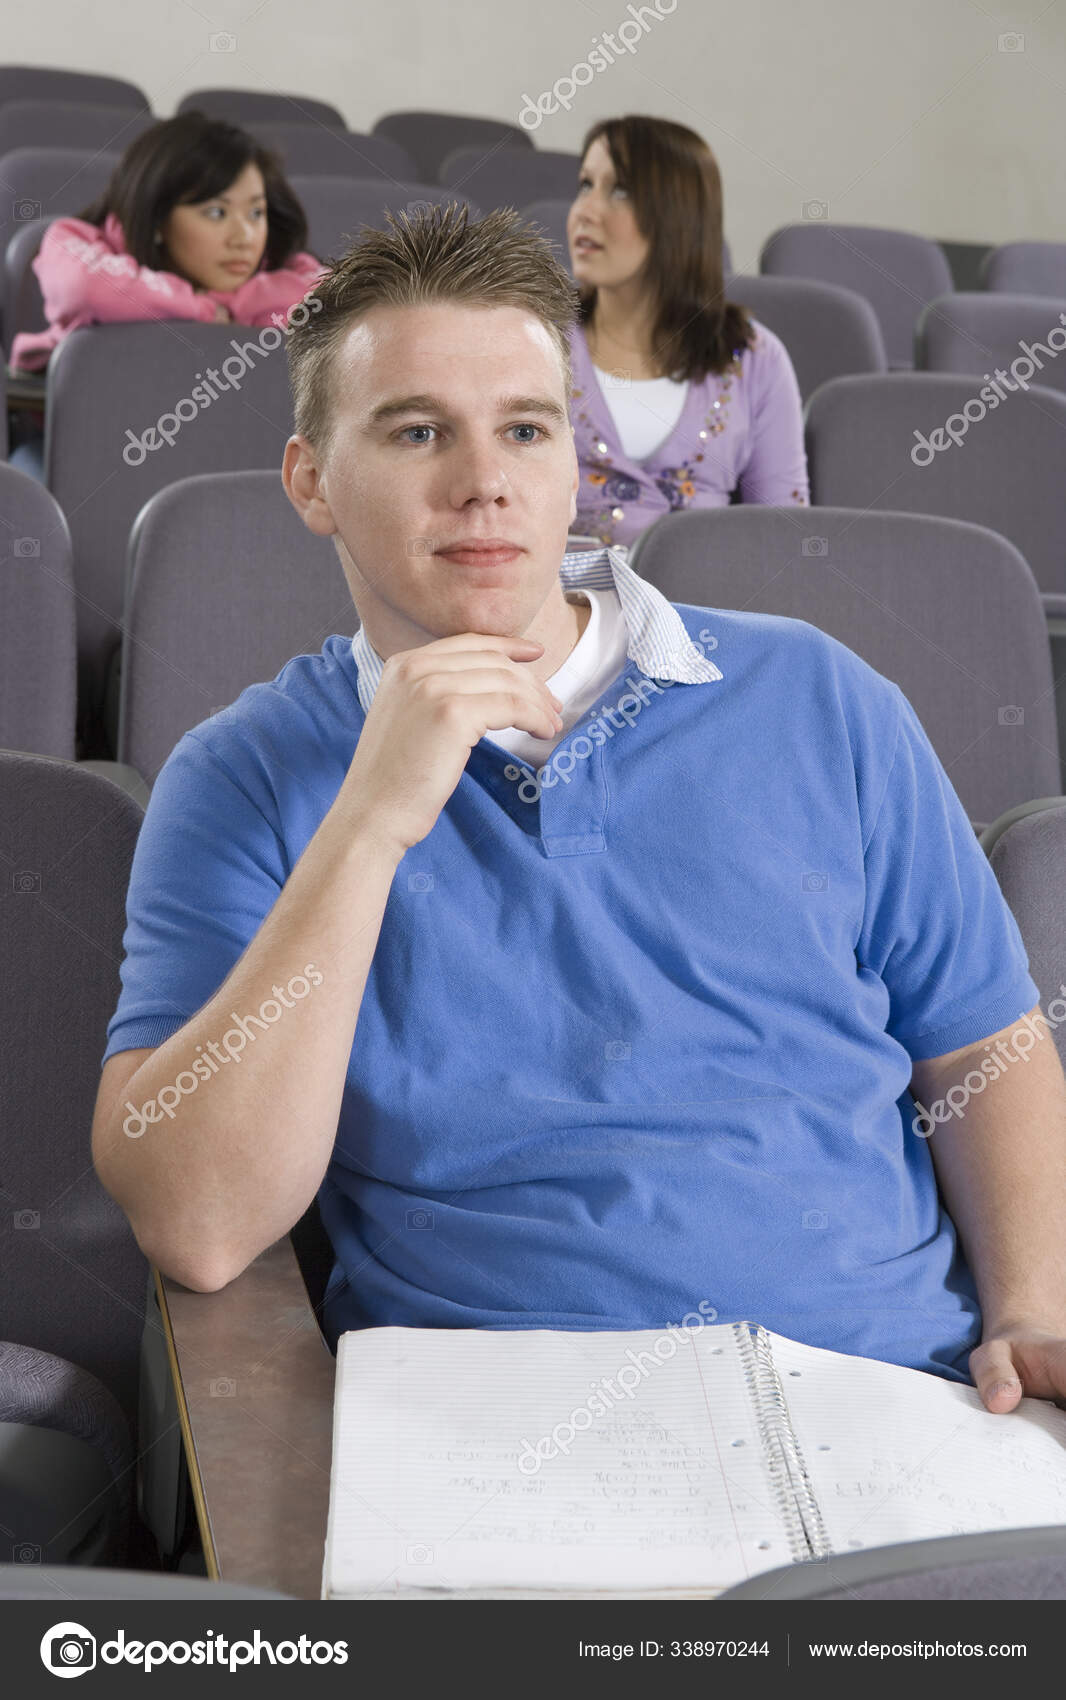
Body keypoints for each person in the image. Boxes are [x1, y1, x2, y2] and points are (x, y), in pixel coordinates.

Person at [91, 202, 1066, 1418]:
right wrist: (370, 822)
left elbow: (983, 1042)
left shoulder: (819, 694)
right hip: (505, 1435)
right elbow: (199, 1221)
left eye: (526, 428)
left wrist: (1034, 1307)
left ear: (576, 465)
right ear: (311, 481)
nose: (484, 482)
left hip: (892, 1396)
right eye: (414, 430)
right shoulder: (241, 772)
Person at [565, 116, 809, 550]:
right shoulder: (537, 338)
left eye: (619, 191)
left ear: (677, 216)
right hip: (558, 609)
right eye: (586, 184)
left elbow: (784, 541)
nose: (585, 210)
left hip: (700, 611)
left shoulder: (755, 358)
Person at [10, 111, 323, 376]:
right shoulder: (72, 240)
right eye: (216, 212)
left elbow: (333, 303)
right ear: (157, 219)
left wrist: (232, 303)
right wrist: (206, 309)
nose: (244, 238)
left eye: (256, 212)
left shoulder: (285, 265)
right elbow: (86, 288)